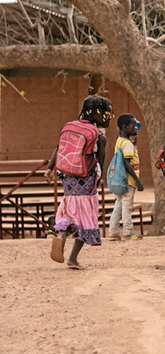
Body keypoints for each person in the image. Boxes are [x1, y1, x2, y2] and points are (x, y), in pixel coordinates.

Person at [45, 95, 113, 269]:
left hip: (68, 178)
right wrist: (99, 179)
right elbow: (100, 161)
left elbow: (58, 148)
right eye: (107, 114)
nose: (109, 118)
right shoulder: (99, 136)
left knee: (70, 211)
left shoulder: (70, 127)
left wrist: (50, 168)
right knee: (85, 218)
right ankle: (73, 258)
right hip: (86, 180)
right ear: (95, 113)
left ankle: (61, 236)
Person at [108, 114, 145, 241]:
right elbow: (127, 163)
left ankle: (113, 232)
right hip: (128, 181)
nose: (136, 128)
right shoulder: (128, 144)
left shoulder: (120, 140)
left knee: (118, 205)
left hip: (120, 180)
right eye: (133, 126)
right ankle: (128, 233)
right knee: (127, 207)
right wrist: (138, 181)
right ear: (125, 127)